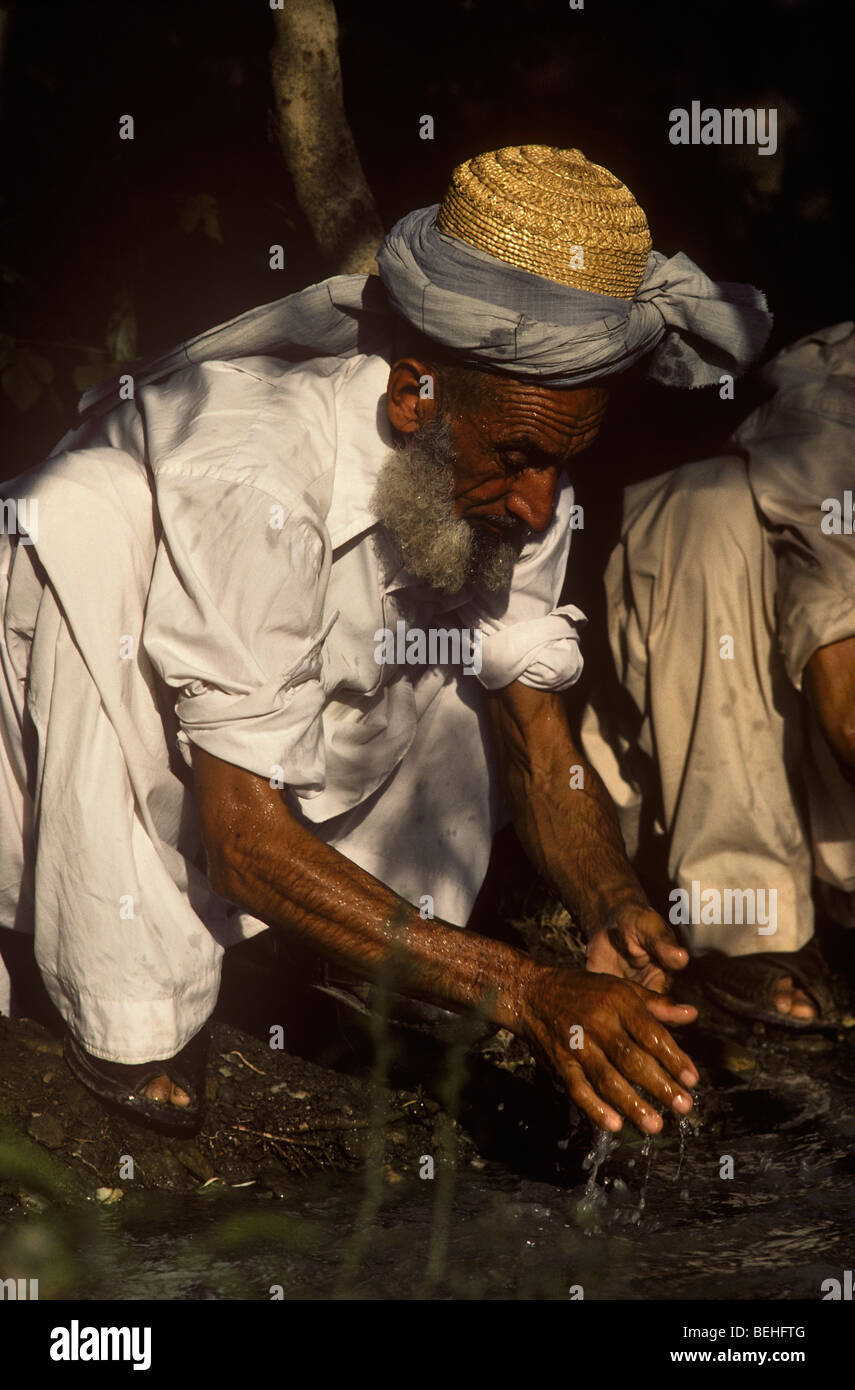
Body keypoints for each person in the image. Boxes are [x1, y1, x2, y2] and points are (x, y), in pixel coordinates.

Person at [0, 145, 771, 1135]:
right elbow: (241, 835)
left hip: (270, 754)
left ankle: (332, 953)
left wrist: (608, 902)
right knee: (84, 515)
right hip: (83, 758)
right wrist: (526, 991)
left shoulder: (514, 467)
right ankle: (131, 1005)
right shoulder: (257, 472)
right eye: (523, 457)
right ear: (416, 395)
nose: (541, 507)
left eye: (563, 463)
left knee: (461, 636)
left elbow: (538, 735)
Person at [582, 322, 855, 1028]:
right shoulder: (835, 394)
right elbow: (848, 708)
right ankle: (746, 919)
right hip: (716, 759)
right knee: (709, 507)